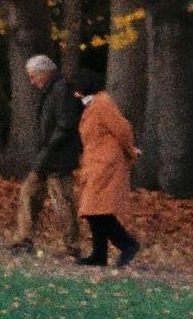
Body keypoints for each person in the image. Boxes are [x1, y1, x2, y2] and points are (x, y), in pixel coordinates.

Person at [12, 54, 83, 256]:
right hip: (48, 156)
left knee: (62, 200)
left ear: (45, 72)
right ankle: (25, 238)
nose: (33, 82)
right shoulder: (53, 89)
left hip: (58, 157)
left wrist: (50, 147)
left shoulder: (61, 90)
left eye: (34, 76)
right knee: (29, 192)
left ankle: (73, 245)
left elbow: (66, 123)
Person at [73, 86, 143, 269]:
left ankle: (127, 244)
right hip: (96, 163)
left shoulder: (102, 102)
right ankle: (99, 254)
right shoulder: (92, 105)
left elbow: (122, 129)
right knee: (95, 209)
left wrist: (130, 151)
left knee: (96, 209)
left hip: (106, 164)